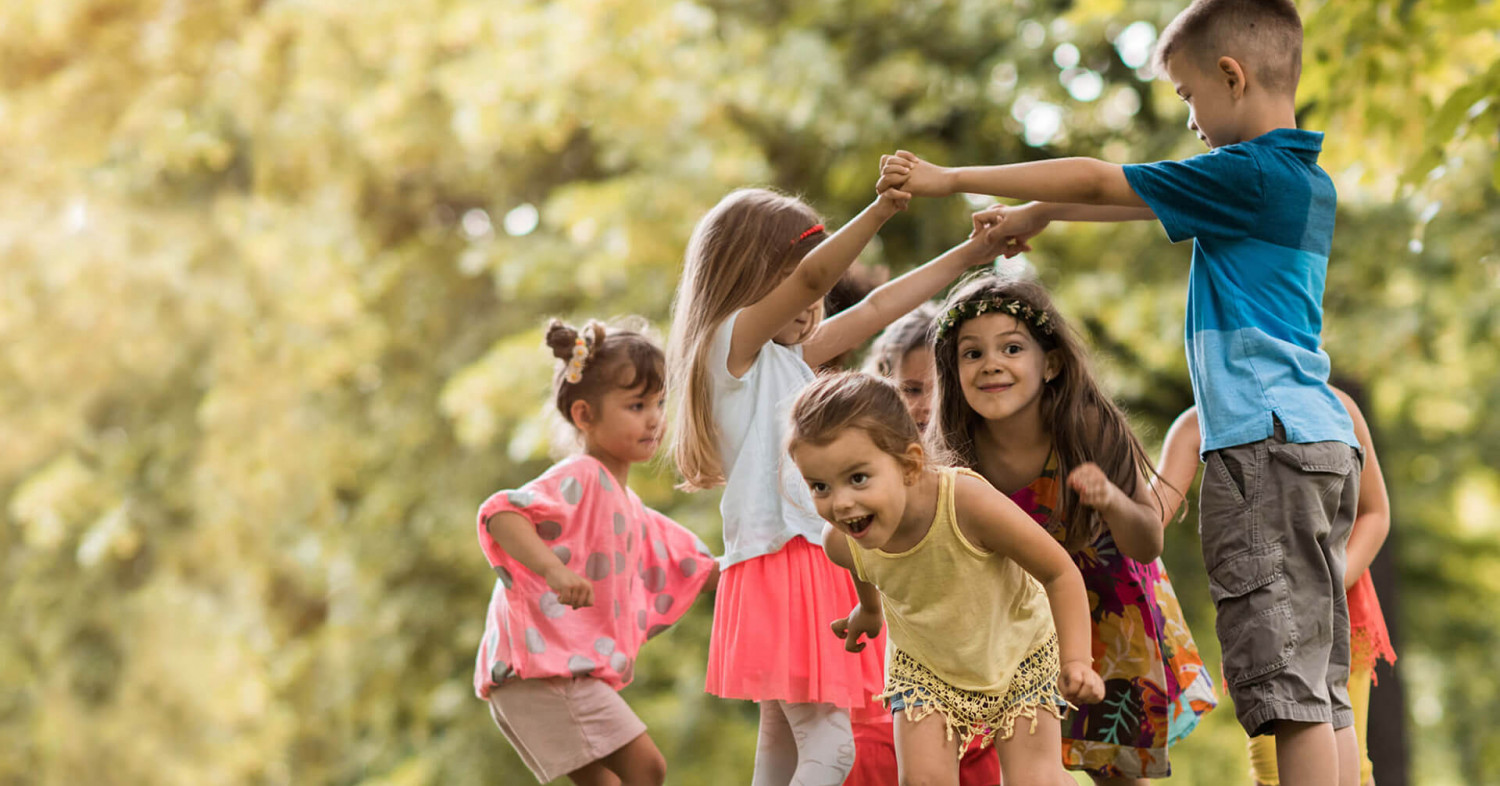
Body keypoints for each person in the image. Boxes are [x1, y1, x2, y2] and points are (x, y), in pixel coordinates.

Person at [878, 2, 1364, 783]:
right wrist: (1035, 216)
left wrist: (954, 179)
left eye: (1186, 95)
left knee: (1287, 694)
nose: (1192, 117)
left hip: (1263, 446)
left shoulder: (1248, 174)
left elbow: (1105, 179)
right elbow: (1124, 197)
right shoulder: (1300, 181)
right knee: (1321, 683)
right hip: (1321, 445)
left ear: (1231, 77)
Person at [666, 184, 1006, 785]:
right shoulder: (730, 349)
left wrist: (967, 253)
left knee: (784, 748)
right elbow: (810, 277)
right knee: (833, 749)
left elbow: (877, 311)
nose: (813, 301)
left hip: (798, 562)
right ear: (745, 277)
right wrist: (879, 208)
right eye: (800, 285)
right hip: (786, 562)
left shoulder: (783, 357)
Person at [927, 274, 1216, 783]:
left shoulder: (1088, 429)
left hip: (1110, 609)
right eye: (971, 354)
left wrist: (1112, 500)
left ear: (1051, 363)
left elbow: (1146, 542)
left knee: (1116, 772)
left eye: (1012, 348)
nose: (991, 363)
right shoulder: (956, 450)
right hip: (1018, 621)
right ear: (953, 370)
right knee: (1030, 765)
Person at [787, 371, 1105, 786]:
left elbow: (1058, 570)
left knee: (1035, 779)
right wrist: (869, 610)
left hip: (1015, 647)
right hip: (925, 668)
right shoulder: (841, 542)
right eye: (820, 486)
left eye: (858, 478)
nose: (842, 503)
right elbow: (862, 566)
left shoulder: (966, 503)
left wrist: (1077, 660)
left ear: (910, 464)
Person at [474, 319, 719, 786]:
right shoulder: (583, 476)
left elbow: (700, 569)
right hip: (544, 673)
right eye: (636, 405)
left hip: (541, 678)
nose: (654, 418)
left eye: (659, 403)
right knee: (647, 767)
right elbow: (501, 514)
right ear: (585, 415)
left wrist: (780, 562)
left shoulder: (629, 507)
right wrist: (554, 571)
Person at [1155, 388, 1396, 786]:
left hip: (1341, 619)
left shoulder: (1335, 406)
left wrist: (1320, 590)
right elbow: (1150, 513)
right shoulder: (1202, 421)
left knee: (1350, 767)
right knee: (1273, 766)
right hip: (1260, 620)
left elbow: (1376, 514)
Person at [852, 301, 1004, 786]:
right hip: (891, 691)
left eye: (938, 392)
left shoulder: (977, 482)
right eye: (910, 390)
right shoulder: (859, 487)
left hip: (983, 680)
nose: (923, 408)